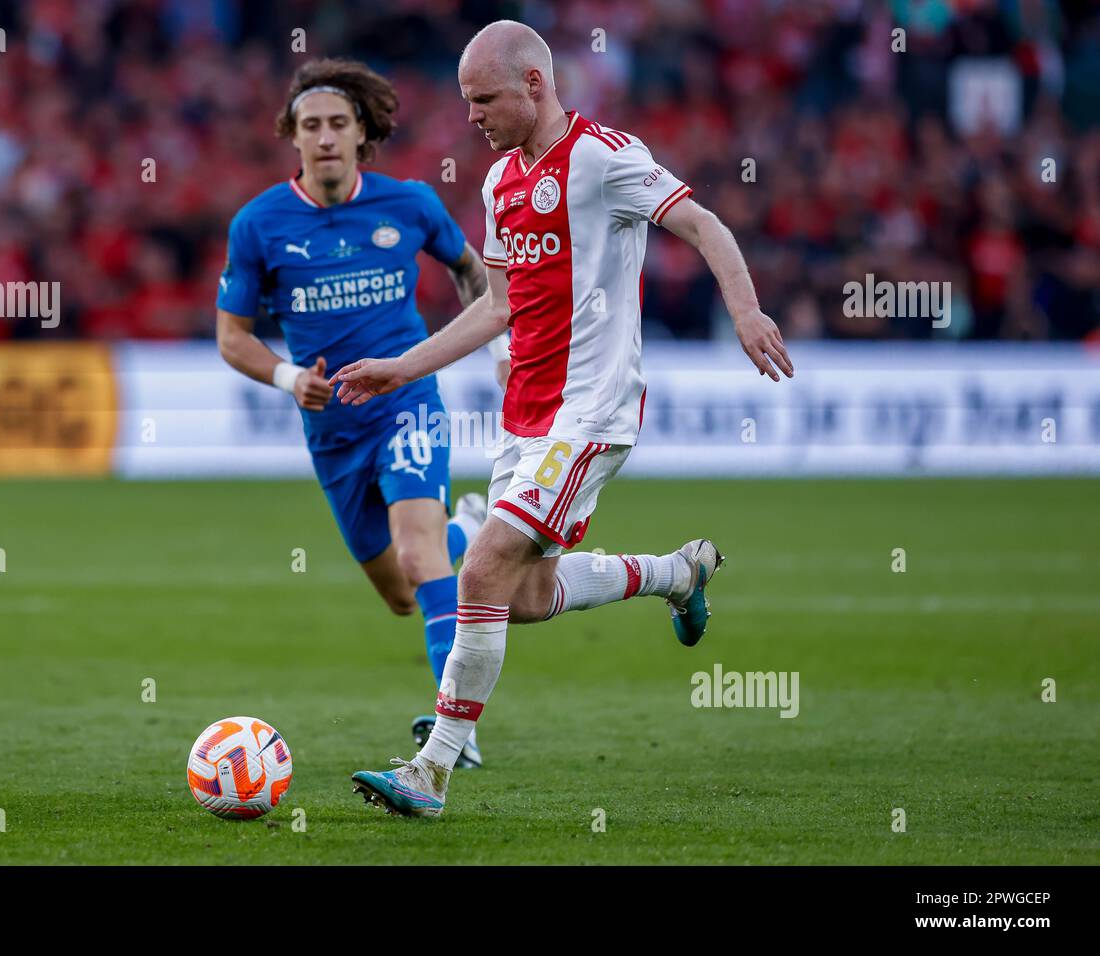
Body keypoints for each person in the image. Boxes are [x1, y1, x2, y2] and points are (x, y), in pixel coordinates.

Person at [331, 21, 795, 816]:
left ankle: (432, 770)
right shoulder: (498, 183)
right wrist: (402, 366)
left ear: (535, 85)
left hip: (593, 410)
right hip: (526, 416)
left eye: (484, 100)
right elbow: (497, 309)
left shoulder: (604, 157)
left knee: (477, 568)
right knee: (520, 596)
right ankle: (678, 574)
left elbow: (702, 224)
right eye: (466, 101)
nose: (471, 116)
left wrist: (746, 311)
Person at [216, 58, 510, 768]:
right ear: (293, 136)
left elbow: (475, 272)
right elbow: (232, 336)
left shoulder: (408, 205)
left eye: (337, 125)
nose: (324, 138)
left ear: (361, 135)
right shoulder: (259, 225)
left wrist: (492, 343)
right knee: (400, 593)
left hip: (406, 400)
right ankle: (465, 532)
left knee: (416, 552)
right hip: (331, 428)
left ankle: (453, 733)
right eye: (310, 126)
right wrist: (290, 378)